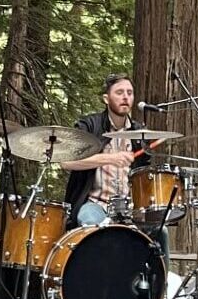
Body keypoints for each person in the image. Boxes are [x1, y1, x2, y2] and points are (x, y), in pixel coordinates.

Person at [61, 74, 150, 228]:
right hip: (96, 204)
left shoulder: (139, 133)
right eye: (119, 92)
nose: (125, 97)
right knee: (90, 221)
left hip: (129, 209)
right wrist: (110, 158)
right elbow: (66, 162)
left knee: (161, 231)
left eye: (129, 93)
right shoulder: (89, 125)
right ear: (106, 99)